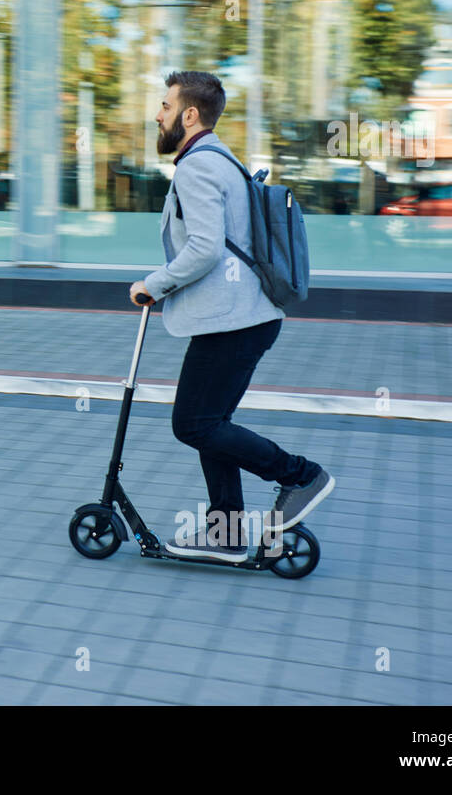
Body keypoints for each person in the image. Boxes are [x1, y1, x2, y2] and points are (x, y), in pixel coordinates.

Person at [128, 71, 334, 562]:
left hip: (234, 321)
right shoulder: (224, 160)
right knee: (211, 421)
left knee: (193, 424)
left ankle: (301, 476)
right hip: (243, 318)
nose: (158, 115)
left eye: (164, 105)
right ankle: (224, 529)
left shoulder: (198, 167)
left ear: (189, 114)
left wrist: (150, 285)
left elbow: (203, 248)